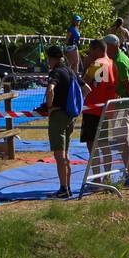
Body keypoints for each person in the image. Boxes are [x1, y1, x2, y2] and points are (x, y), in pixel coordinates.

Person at [37, 46, 77, 199]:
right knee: (65, 155)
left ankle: (63, 189)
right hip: (70, 116)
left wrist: (49, 107)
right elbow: (86, 88)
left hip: (58, 116)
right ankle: (68, 187)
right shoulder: (70, 71)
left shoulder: (56, 72)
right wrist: (76, 107)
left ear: (52, 58)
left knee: (59, 156)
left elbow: (50, 90)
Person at [78, 39, 117, 151]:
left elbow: (84, 83)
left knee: (91, 144)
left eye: (90, 51)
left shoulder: (98, 64)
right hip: (105, 108)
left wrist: (85, 66)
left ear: (97, 50)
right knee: (104, 143)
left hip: (93, 109)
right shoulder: (112, 63)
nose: (89, 54)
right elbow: (100, 84)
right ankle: (106, 168)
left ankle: (95, 169)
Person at [103, 33, 129, 98]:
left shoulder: (119, 62)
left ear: (112, 46)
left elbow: (128, 87)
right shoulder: (121, 56)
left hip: (122, 102)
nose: (103, 47)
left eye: (105, 45)